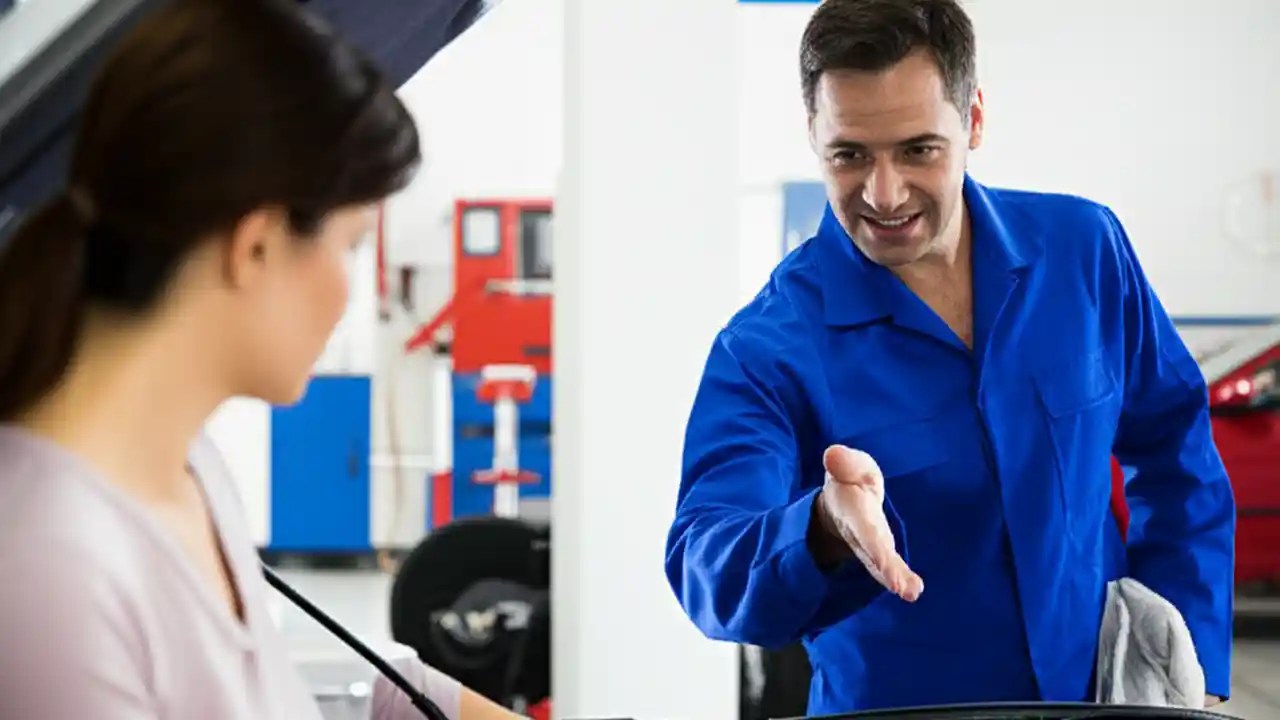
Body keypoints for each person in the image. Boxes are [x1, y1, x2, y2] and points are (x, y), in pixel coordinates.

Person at [664, 0, 1235, 714]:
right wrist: (818, 529)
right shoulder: (767, 349)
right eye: (849, 155)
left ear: (974, 121)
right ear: (812, 133)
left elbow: (1175, 447)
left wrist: (1195, 664)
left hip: (1097, 702)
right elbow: (704, 562)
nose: (883, 194)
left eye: (917, 150)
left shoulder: (1083, 252)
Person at [0, 1, 525, 719]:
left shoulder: (190, 473)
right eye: (348, 247)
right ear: (255, 247)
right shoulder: (51, 566)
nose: (346, 291)